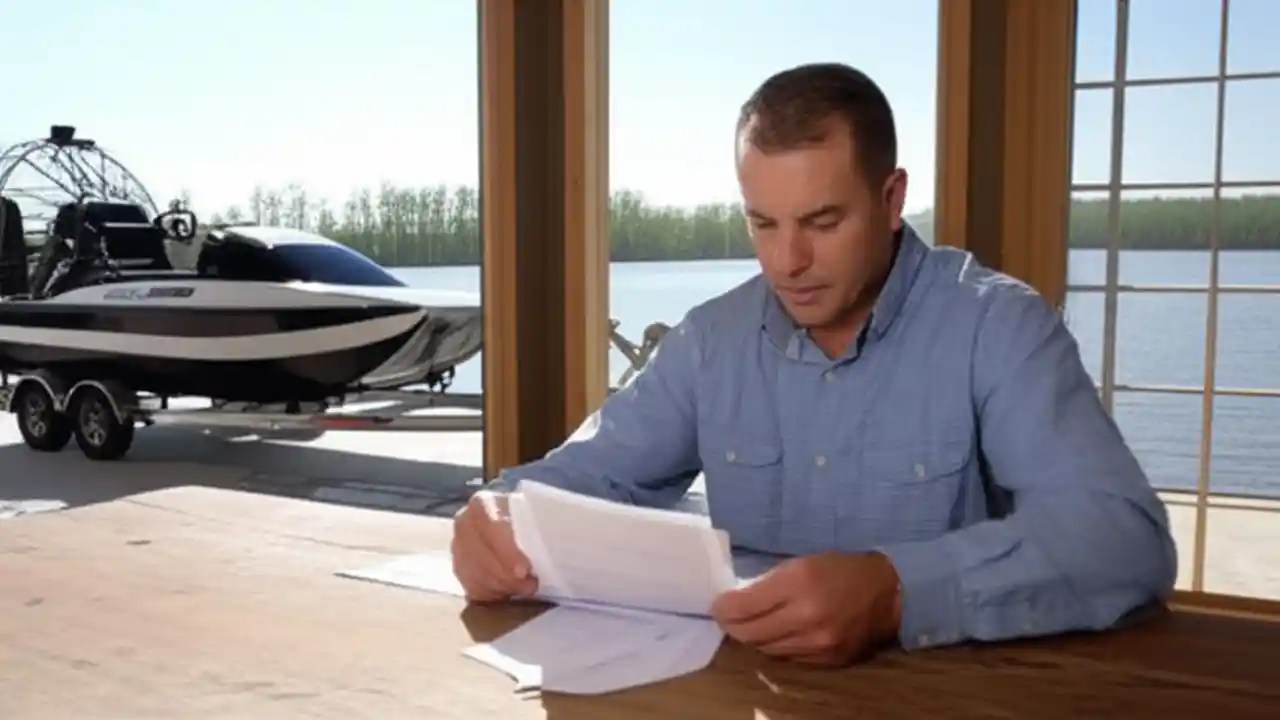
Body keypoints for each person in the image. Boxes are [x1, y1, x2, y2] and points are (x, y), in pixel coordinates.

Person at [450, 62, 1177, 666]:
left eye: (823, 223)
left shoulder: (998, 325)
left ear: (892, 199)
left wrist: (898, 591)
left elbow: (1122, 539)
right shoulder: (711, 340)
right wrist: (496, 513)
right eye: (762, 223)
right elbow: (584, 474)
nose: (785, 261)